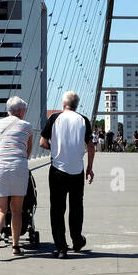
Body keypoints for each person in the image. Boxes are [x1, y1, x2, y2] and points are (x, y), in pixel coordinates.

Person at [39, 90, 95, 258]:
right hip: (77, 170)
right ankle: (77, 240)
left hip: (57, 170)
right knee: (76, 207)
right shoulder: (83, 120)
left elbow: (42, 142)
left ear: (64, 104)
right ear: (76, 105)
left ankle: (61, 248)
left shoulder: (55, 118)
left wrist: (54, 149)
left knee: (57, 209)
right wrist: (90, 168)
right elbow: (91, 146)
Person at [0, 96, 34, 260]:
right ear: (20, 111)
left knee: (0, 209)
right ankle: (15, 246)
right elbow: (28, 152)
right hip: (18, 167)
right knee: (16, 210)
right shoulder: (27, 126)